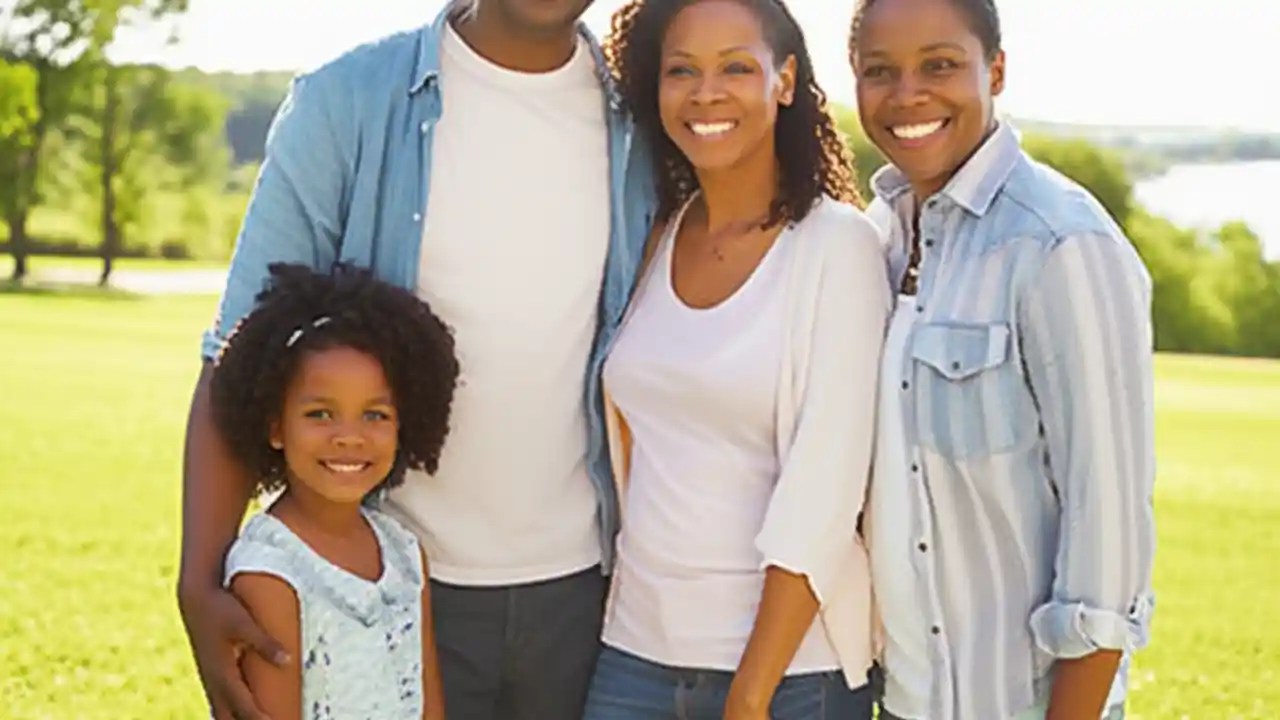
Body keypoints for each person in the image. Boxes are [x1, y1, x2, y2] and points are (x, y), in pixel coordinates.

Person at [176, 0, 656, 717]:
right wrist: (199, 579)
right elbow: (241, 346)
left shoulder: (647, 119)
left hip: (587, 598)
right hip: (385, 589)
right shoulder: (345, 102)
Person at [848, 0, 1156, 718]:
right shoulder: (875, 238)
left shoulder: (1061, 244)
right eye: (880, 71)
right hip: (900, 702)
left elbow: (1107, 547)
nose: (908, 94)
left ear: (995, 71)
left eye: (940, 65)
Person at [583, 1, 889, 718]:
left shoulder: (836, 247)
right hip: (633, 654)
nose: (706, 92)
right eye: (681, 71)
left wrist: (752, 691)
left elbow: (826, 486)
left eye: (736, 68)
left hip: (792, 676)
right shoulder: (659, 234)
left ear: (785, 81)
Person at [210, 263, 457, 719]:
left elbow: (429, 708)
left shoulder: (404, 554)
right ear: (275, 426)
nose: (349, 437)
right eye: (320, 414)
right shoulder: (270, 575)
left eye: (375, 415)